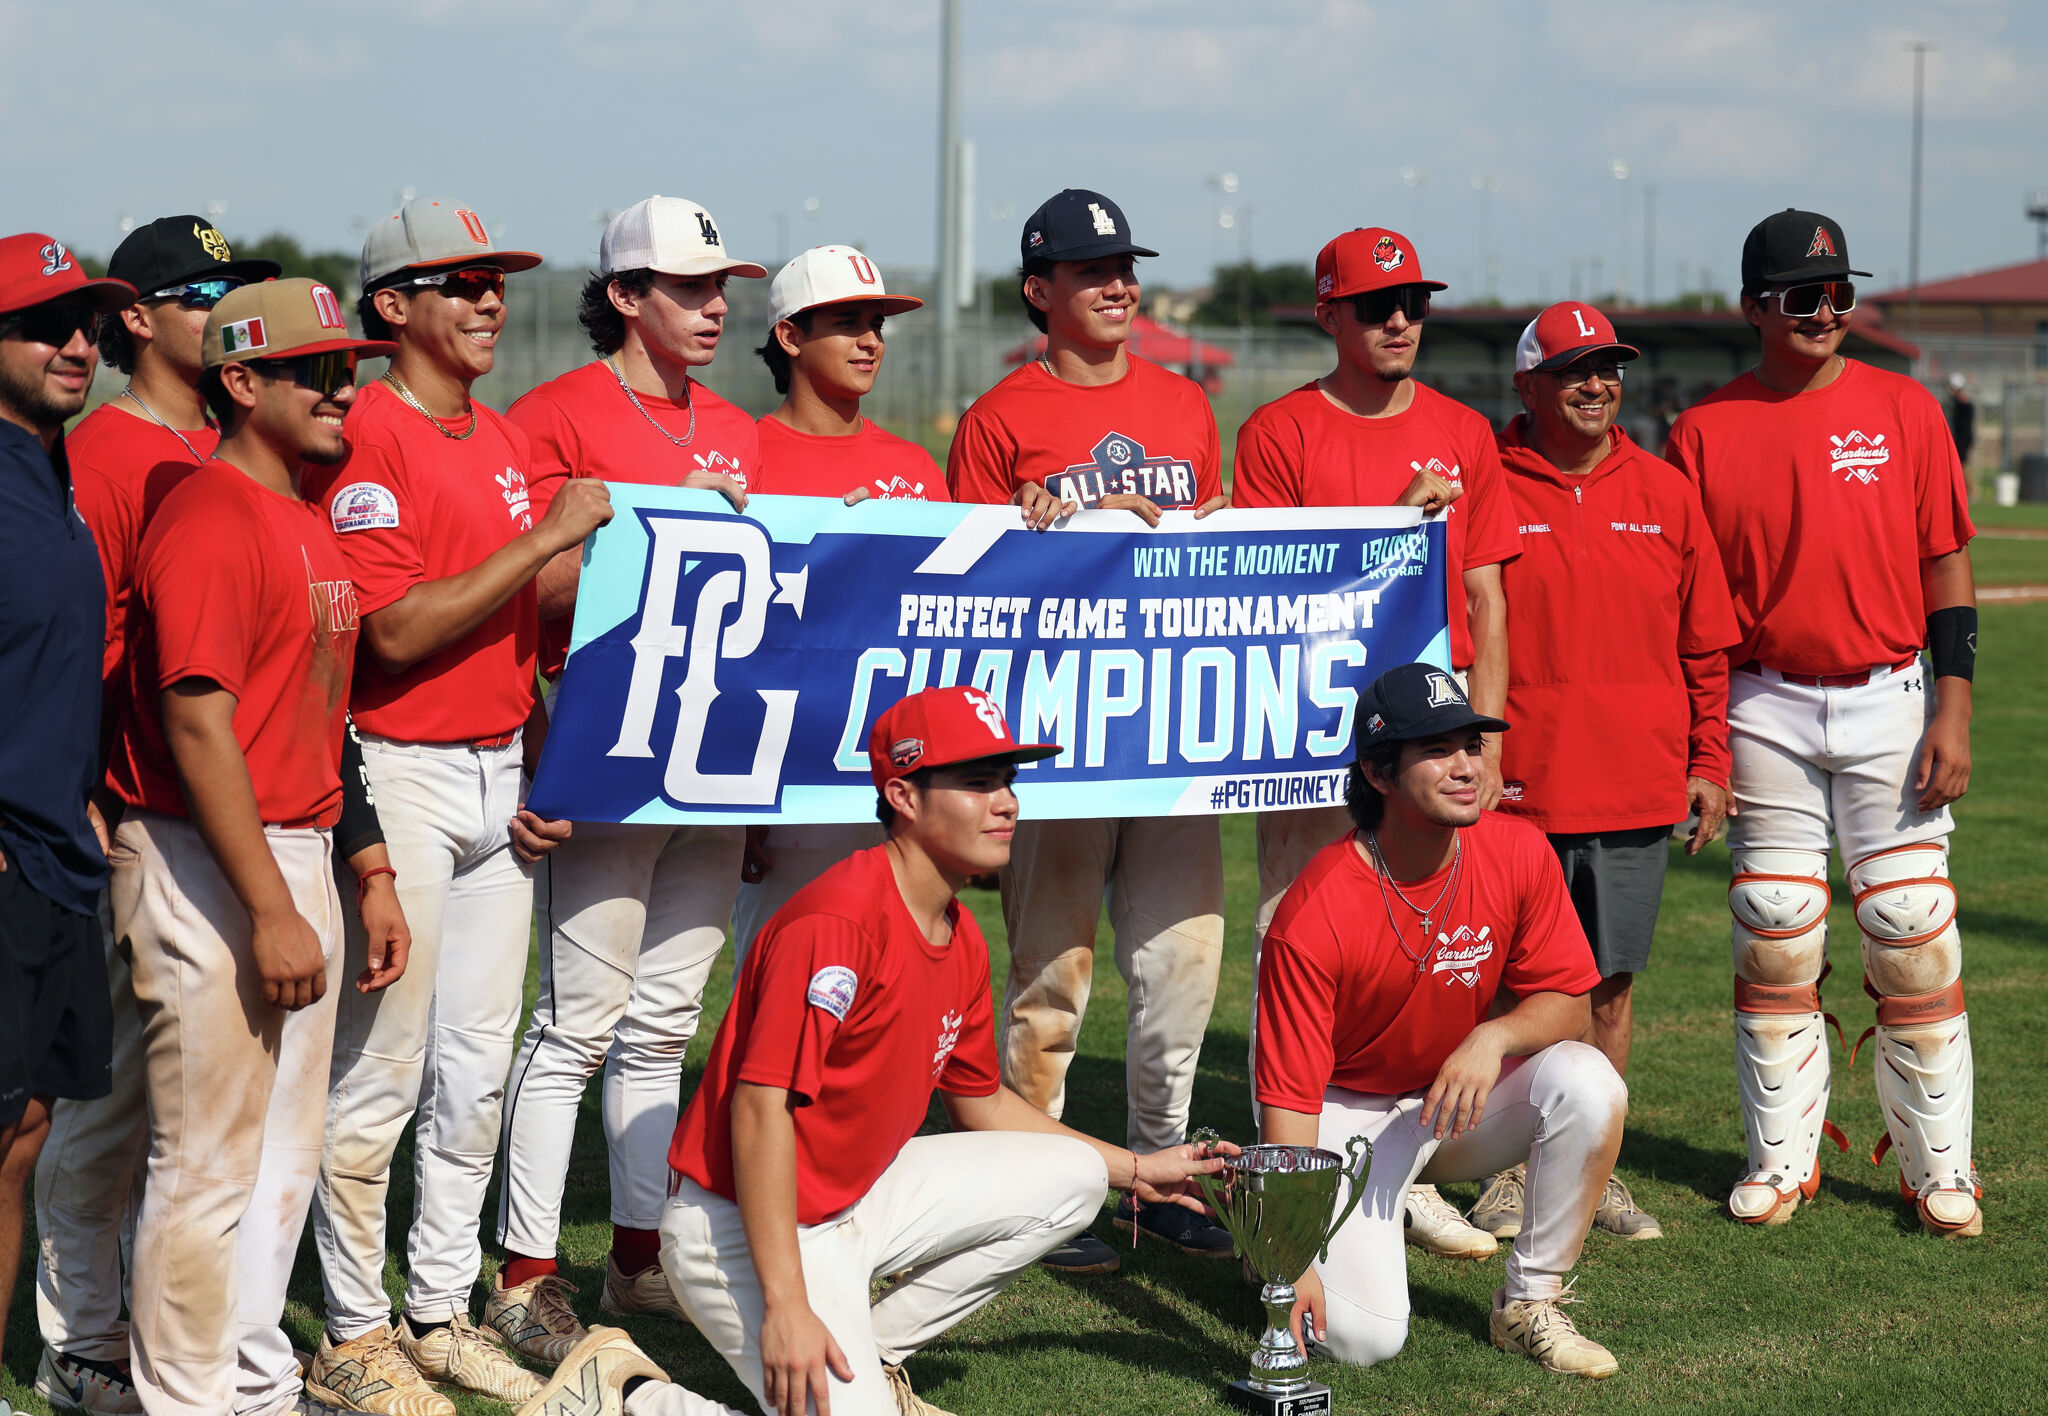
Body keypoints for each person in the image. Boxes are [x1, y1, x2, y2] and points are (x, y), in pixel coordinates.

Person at [514, 685, 1233, 1416]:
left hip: (854, 1199)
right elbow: (761, 1115)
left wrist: (1140, 1171)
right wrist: (789, 1306)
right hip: (733, 1226)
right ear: (904, 796)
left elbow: (980, 1100)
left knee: (1077, 1179)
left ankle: (872, 1358)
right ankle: (624, 1395)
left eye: (1009, 780)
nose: (1007, 802)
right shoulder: (836, 924)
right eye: (978, 782)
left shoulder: (959, 929)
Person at [303, 199, 611, 1413]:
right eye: (460, 283)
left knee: (475, 1070)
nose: (490, 301)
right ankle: (352, 1330)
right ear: (393, 307)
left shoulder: (492, 432)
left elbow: (527, 610)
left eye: (494, 282)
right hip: (399, 766)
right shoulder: (364, 431)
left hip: (498, 768)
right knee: (380, 1069)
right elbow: (393, 631)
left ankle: (436, 1310)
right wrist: (545, 541)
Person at [105, 277, 412, 1416]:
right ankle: (181, 1396)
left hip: (296, 845)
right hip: (205, 854)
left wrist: (355, 872)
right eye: (319, 370)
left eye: (352, 366)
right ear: (240, 381)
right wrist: (270, 905)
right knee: (206, 1161)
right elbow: (197, 721)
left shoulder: (300, 510)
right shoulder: (208, 512)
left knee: (282, 1157)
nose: (348, 388)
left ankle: (249, 1377)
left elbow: (318, 719)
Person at [1666, 209, 1981, 1235]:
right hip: (1765, 702)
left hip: (1891, 695)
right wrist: (1700, 745)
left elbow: (1944, 564)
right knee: (1772, 932)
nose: (1823, 312)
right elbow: (1687, 602)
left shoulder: (1904, 410)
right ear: (1751, 306)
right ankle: (1778, 1162)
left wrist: (1954, 707)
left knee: (1908, 933)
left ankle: (1940, 1173)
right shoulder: (1701, 431)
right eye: (1800, 296)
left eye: (1839, 292)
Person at [490, 195, 762, 1360]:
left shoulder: (737, 427)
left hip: (712, 761)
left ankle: (638, 1264)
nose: (713, 307)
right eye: (688, 288)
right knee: (576, 1026)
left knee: (662, 1026)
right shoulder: (551, 417)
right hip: (600, 752)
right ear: (622, 297)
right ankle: (525, 1272)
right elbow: (514, 590)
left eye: (718, 288)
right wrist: (632, 539)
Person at [944, 188, 1232, 1273]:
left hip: (1169, 738)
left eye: (1124, 265)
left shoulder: (1186, 405)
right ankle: (1039, 1190)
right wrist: (1025, 541)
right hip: (1052, 738)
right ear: (1039, 292)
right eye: (1089, 270)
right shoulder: (996, 417)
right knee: (1048, 980)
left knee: (1179, 970)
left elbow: (1211, 566)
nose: (1118, 283)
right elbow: (959, 593)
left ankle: (1162, 1181)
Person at [1231, 226, 1522, 1261]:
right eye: (1372, 304)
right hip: (1310, 740)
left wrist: (1484, 746)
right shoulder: (1277, 431)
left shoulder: (1463, 430)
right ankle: (1300, 1170)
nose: (1397, 319)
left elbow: (1485, 593)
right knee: (1297, 945)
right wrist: (1387, 522)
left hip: (1429, 744)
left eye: (1411, 301)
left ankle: (1411, 1167)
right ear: (1328, 315)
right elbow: (1271, 591)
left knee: (1431, 954)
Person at [34, 214, 279, 1413]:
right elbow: (85, 648)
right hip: (131, 811)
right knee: (108, 1098)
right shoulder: (102, 454)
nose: (222, 307)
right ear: (137, 315)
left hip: (223, 811)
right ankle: (81, 1336)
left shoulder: (238, 443)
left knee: (185, 1108)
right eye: (201, 292)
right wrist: (85, 798)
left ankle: (170, 1340)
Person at [1255, 663, 1627, 1379]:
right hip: (1344, 1112)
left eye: (1471, 744)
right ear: (1379, 772)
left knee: (1590, 1081)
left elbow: (1571, 1005)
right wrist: (1287, 1252)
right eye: (1436, 749)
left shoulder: (1515, 847)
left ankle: (1528, 1305)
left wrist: (1494, 1036)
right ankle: (1284, 1225)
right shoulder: (1315, 911)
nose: (1466, 767)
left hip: (1448, 1102)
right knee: (1367, 1341)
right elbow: (1291, 1101)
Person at [1466, 301, 1741, 1245]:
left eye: (1609, 368)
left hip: (1633, 785)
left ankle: (1591, 1175)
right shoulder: (1482, 484)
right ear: (1527, 384)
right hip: (1514, 789)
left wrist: (1709, 762)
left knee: (1611, 989)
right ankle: (1504, 1174)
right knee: (1508, 992)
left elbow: (1705, 650)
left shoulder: (1666, 492)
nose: (1596, 384)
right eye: (1574, 368)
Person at [0, 233, 134, 1389]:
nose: (79, 344)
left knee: (25, 1132)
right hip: (4, 856)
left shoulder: (53, 469)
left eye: (89, 325)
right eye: (49, 324)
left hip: (55, 852)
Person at [734, 243, 946, 960]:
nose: (870, 340)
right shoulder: (748, 457)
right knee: (785, 983)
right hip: (783, 777)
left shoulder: (914, 467)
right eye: (847, 322)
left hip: (895, 780)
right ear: (790, 336)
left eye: (877, 324)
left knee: (887, 990)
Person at [1946, 373, 1975, 467]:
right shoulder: (1958, 403)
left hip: (1962, 439)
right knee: (1959, 465)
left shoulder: (1963, 404)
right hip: (1960, 438)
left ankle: (1966, 482)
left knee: (1961, 465)